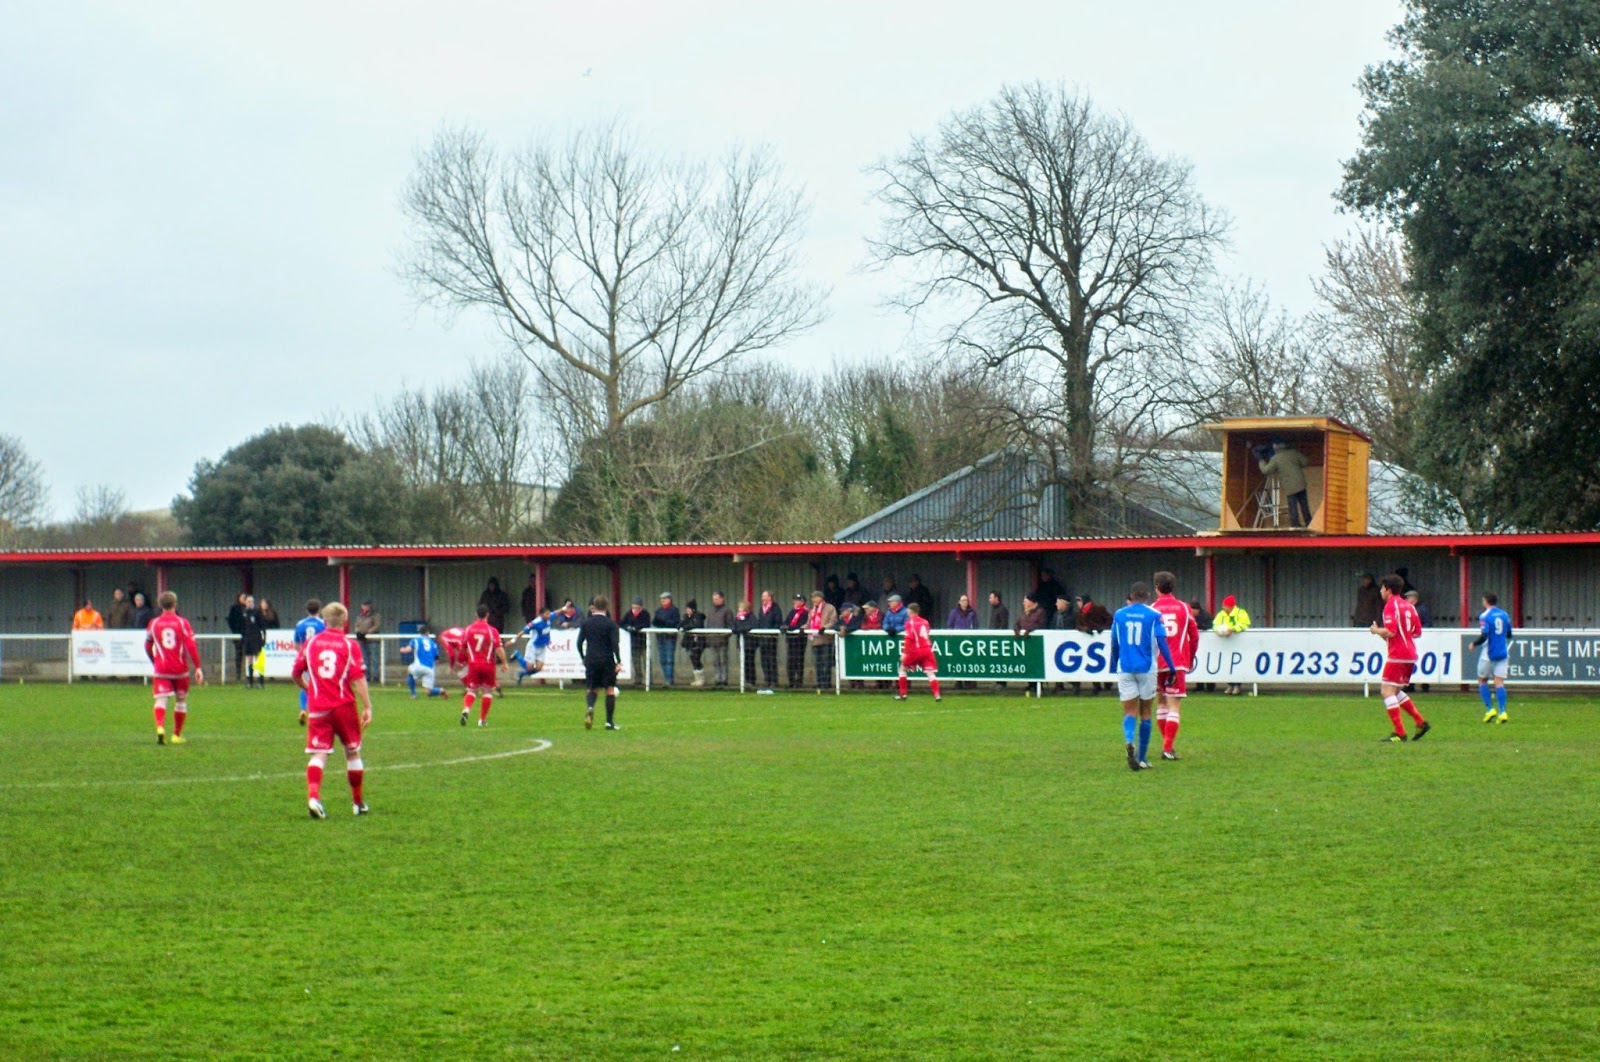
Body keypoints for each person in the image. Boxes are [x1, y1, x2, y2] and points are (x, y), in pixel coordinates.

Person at [291, 602, 373, 819]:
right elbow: (358, 679)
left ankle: (313, 797)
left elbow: (296, 673)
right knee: (352, 752)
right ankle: (357, 803)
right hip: (344, 706)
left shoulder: (310, 644)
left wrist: (310, 689)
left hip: (318, 708)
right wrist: (367, 706)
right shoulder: (349, 645)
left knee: (319, 754)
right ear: (345, 622)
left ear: (324, 621)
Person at [1110, 582, 1177, 772]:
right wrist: (1171, 667)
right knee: (1146, 711)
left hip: (1125, 667)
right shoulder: (1154, 615)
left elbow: (1114, 640)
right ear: (1147, 596)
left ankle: (1129, 740)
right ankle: (1141, 757)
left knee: (1129, 711)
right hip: (1147, 668)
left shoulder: (1119, 615)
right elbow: (1162, 642)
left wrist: (1114, 662)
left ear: (1131, 596)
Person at [1370, 574, 1430, 743]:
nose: (1381, 591)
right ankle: (1420, 722)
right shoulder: (1409, 606)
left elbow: (1390, 631)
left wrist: (1376, 630)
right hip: (1410, 653)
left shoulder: (1390, 606)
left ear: (1388, 590)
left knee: (1386, 691)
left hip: (1398, 655)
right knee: (1395, 691)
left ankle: (1399, 733)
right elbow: (1417, 632)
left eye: (1382, 588)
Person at [143, 591, 203, 746]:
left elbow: (147, 645)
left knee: (161, 700)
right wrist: (198, 667)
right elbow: (191, 645)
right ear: (175, 604)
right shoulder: (182, 623)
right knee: (181, 700)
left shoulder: (154, 623)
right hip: (180, 669)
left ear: (160, 605)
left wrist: (154, 660)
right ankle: (176, 735)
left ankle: (160, 728)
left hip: (161, 668)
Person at [1151, 572, 1200, 761]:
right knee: (1174, 706)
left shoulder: (1152, 609)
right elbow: (1194, 636)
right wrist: (1190, 656)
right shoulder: (1183, 608)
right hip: (1177, 663)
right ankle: (1167, 747)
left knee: (1161, 702)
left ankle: (1167, 745)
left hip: (1157, 664)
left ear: (1156, 587)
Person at [577, 595, 623, 731]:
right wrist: (618, 661)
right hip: (607, 659)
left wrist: (583, 658)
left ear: (594, 607)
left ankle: (590, 707)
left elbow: (579, 643)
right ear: (606, 608)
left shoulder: (586, 623)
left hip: (591, 659)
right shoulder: (611, 624)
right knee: (609, 689)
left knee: (592, 688)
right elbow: (615, 644)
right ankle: (609, 722)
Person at [460, 604, 507, 728]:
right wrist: (504, 663)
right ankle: (482, 720)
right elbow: (499, 648)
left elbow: (463, 647)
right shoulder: (492, 631)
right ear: (487, 615)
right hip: (488, 665)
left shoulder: (468, 630)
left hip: (474, 665)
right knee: (487, 692)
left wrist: (470, 657)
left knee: (471, 691)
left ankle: (466, 709)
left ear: (476, 615)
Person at [1472, 592, 1514, 724]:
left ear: (1485, 601)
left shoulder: (1485, 616)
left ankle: (1490, 709)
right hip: (1503, 651)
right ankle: (1502, 712)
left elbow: (1484, 635)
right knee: (1499, 682)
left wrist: (1474, 644)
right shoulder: (1504, 614)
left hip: (1488, 653)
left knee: (1482, 680)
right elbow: (1509, 633)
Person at [894, 601, 942, 702]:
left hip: (916, 650)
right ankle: (937, 695)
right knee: (930, 673)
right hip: (927, 649)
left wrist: (904, 653)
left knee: (902, 669)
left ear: (910, 611)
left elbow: (909, 639)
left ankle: (903, 694)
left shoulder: (910, 623)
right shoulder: (925, 622)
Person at [1258, 438, 1311, 527]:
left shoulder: (1276, 458)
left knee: (1292, 508)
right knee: (1304, 506)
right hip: (1301, 483)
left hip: (1289, 486)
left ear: (1276, 446)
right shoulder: (1293, 452)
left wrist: (1260, 460)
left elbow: (1265, 470)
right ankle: (1309, 524)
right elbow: (1305, 462)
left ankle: (1295, 527)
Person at [292, 599, 327, 715]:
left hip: (306, 658)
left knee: (305, 684)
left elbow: (296, 644)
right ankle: (318, 708)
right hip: (319, 658)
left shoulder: (300, 624)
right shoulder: (323, 624)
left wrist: (302, 654)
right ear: (320, 610)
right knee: (320, 684)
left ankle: (303, 708)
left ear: (306, 610)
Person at [1212, 595, 1252, 695]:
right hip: (1225, 644)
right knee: (1226, 663)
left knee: (1237, 664)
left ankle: (1237, 686)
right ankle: (1230, 685)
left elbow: (1245, 624)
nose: (1223, 607)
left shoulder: (1241, 613)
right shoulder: (1221, 614)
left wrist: (1232, 629)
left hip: (1238, 644)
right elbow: (1215, 624)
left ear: (1231, 606)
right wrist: (1217, 630)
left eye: (1224, 605)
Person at [402, 624, 447, 698]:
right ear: (427, 632)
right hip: (429, 669)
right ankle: (441, 690)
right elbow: (437, 660)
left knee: (409, 670)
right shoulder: (433, 644)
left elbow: (408, 649)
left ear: (419, 633)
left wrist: (403, 649)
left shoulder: (416, 640)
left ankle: (413, 694)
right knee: (428, 692)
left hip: (419, 666)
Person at [512, 605, 552, 685]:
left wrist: (564, 608)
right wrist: (514, 640)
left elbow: (557, 612)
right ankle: (517, 654)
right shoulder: (535, 622)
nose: (549, 615)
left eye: (549, 614)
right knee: (529, 668)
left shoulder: (549, 619)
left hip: (542, 646)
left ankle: (521, 674)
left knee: (539, 668)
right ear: (541, 615)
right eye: (547, 614)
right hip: (533, 646)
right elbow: (524, 630)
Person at [806, 590, 838, 692]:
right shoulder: (812, 611)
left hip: (826, 640)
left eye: (815, 597)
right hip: (815, 641)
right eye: (812, 598)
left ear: (821, 598)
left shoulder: (830, 608)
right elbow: (808, 623)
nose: (813, 600)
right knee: (817, 663)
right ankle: (819, 683)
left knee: (827, 662)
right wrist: (802, 628)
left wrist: (825, 627)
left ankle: (827, 683)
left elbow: (833, 621)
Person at [704, 591, 734, 687]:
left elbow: (730, 625)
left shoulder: (727, 611)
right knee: (715, 661)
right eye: (714, 599)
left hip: (722, 640)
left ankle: (724, 679)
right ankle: (717, 678)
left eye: (717, 599)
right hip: (712, 640)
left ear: (722, 599)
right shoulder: (711, 611)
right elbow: (708, 625)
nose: (715, 601)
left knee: (723, 661)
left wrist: (724, 636)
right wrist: (708, 638)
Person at [755, 590, 784, 691]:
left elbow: (778, 621)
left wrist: (771, 632)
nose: (762, 598)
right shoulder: (761, 609)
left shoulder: (775, 609)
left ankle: (773, 680)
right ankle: (767, 679)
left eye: (764, 596)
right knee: (764, 660)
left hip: (771, 638)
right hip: (762, 638)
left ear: (770, 597)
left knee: (771, 659)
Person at [620, 598, 650, 686]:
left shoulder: (645, 614)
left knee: (646, 661)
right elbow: (622, 623)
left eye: (637, 605)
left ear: (640, 606)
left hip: (643, 641)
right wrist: (628, 628)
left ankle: (649, 679)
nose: (635, 607)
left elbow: (646, 624)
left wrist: (636, 628)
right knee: (636, 662)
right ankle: (638, 679)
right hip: (633, 642)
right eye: (634, 605)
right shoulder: (629, 614)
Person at [653, 592, 681, 685]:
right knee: (662, 659)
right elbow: (655, 621)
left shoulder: (674, 610)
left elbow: (675, 623)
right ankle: (666, 678)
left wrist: (664, 622)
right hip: (660, 637)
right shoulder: (658, 611)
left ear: (669, 600)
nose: (663, 601)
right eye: (662, 599)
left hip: (670, 637)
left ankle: (669, 679)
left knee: (669, 659)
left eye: (664, 599)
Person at [783, 593, 810, 688]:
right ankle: (791, 681)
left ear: (802, 602)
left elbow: (802, 624)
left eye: (798, 600)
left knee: (798, 660)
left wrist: (789, 627)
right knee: (790, 660)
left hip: (800, 639)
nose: (795, 602)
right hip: (791, 639)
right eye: (795, 600)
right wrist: (784, 626)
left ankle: (799, 681)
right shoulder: (792, 611)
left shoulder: (805, 612)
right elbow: (787, 621)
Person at [241, 595, 267, 689]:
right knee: (249, 659)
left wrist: (263, 638)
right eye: (248, 601)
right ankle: (250, 682)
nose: (250, 603)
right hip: (247, 638)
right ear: (245, 602)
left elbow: (263, 625)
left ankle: (261, 682)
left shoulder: (257, 612)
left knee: (258, 659)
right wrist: (243, 637)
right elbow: (242, 626)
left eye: (251, 601)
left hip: (256, 638)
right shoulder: (244, 612)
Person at [732, 600, 759, 687]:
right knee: (743, 662)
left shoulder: (751, 616)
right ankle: (745, 680)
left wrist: (743, 629)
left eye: (741, 608)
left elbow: (753, 626)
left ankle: (751, 680)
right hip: (741, 643)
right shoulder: (737, 618)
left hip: (750, 644)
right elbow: (733, 627)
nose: (739, 609)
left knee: (750, 662)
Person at [352, 601, 381, 684]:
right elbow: (356, 625)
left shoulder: (375, 615)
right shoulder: (360, 616)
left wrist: (368, 632)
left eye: (366, 605)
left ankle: (376, 677)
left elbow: (377, 625)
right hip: (362, 640)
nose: (364, 607)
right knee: (364, 658)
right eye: (363, 605)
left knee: (375, 658)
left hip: (372, 640)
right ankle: (367, 676)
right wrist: (358, 632)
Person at [680, 599, 707, 686]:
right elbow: (681, 624)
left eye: (689, 608)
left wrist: (687, 627)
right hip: (689, 642)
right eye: (686, 608)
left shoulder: (699, 617)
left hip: (698, 642)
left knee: (696, 658)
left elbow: (697, 625)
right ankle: (697, 679)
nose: (687, 610)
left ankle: (701, 679)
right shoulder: (685, 617)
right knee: (693, 658)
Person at [227, 592, 249, 680]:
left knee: (249, 654)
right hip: (238, 635)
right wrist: (235, 631)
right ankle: (238, 674)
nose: (244, 599)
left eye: (245, 597)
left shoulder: (249, 608)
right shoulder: (234, 608)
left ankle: (249, 674)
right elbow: (230, 620)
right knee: (238, 654)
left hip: (248, 635)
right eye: (242, 597)